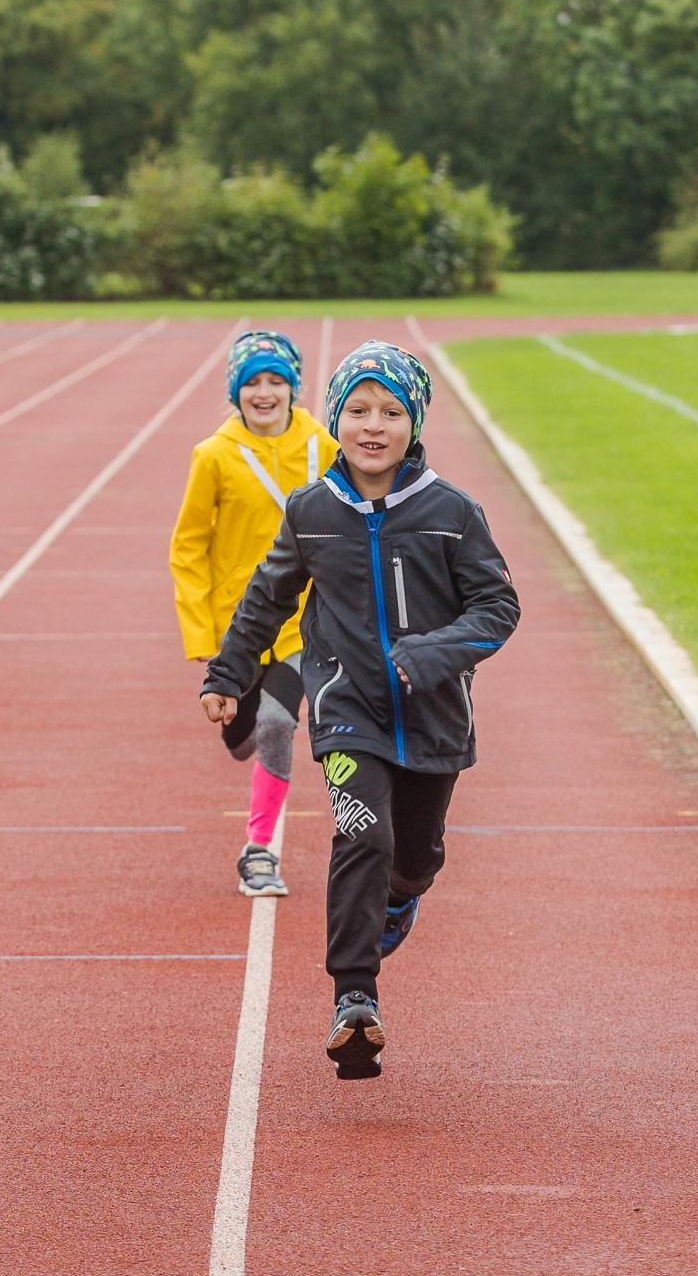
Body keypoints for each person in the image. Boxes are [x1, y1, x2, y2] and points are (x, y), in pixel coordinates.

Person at [200, 342, 520, 1078]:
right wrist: (228, 672)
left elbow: (498, 606)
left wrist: (430, 656)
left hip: (436, 719)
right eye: (357, 410)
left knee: (414, 857)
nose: (372, 426)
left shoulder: (451, 513)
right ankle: (355, 1000)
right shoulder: (312, 512)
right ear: (335, 419)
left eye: (390, 412)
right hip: (347, 713)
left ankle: (403, 900)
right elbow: (266, 598)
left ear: (415, 423)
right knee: (361, 833)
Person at [170, 330, 329, 898]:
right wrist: (201, 634)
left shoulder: (325, 447)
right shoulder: (214, 455)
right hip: (236, 626)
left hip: (302, 622)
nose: (265, 393)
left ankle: (259, 850)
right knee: (244, 737)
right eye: (252, 383)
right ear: (236, 393)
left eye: (276, 380)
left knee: (277, 724)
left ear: (294, 387)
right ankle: (247, 735)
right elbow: (188, 545)